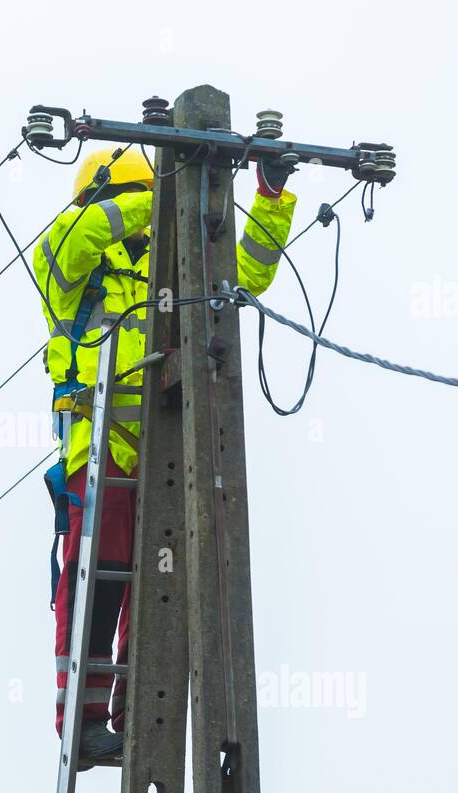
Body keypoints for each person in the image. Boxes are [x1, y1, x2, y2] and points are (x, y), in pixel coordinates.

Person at [33, 145, 298, 761]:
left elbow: (242, 274)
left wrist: (269, 199)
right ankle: (83, 718)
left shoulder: (166, 262)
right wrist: (169, 198)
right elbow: (84, 232)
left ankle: (133, 716)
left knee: (159, 585)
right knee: (95, 585)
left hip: (166, 447)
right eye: (130, 202)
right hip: (98, 452)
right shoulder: (69, 256)